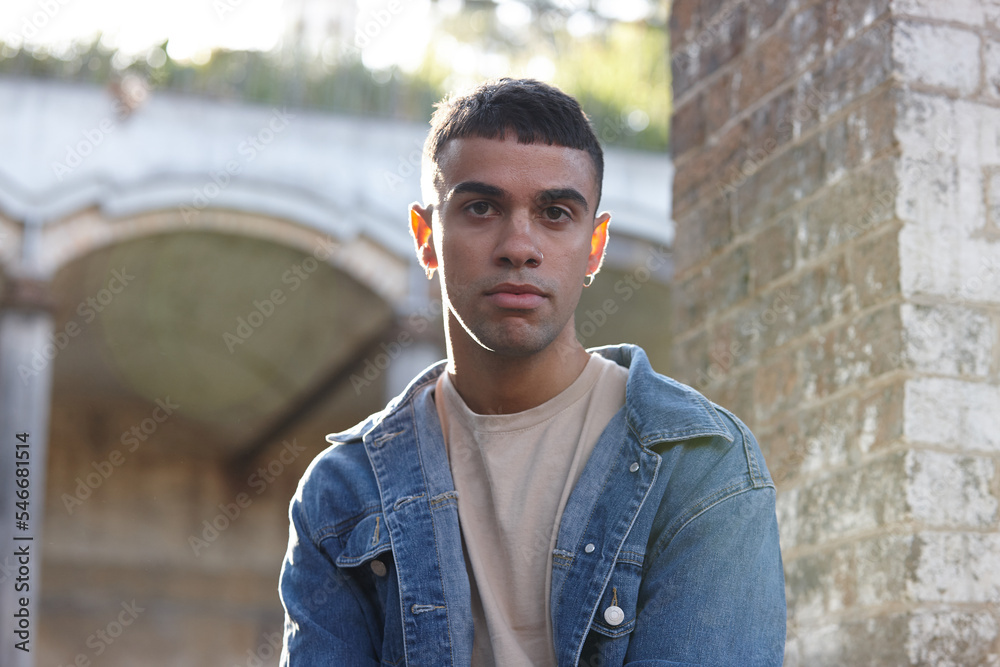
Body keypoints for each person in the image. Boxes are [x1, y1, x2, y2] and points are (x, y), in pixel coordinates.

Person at [279, 78, 786, 666]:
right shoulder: (342, 493)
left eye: (555, 213)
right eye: (481, 208)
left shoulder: (702, 464)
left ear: (595, 245)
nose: (519, 246)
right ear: (427, 238)